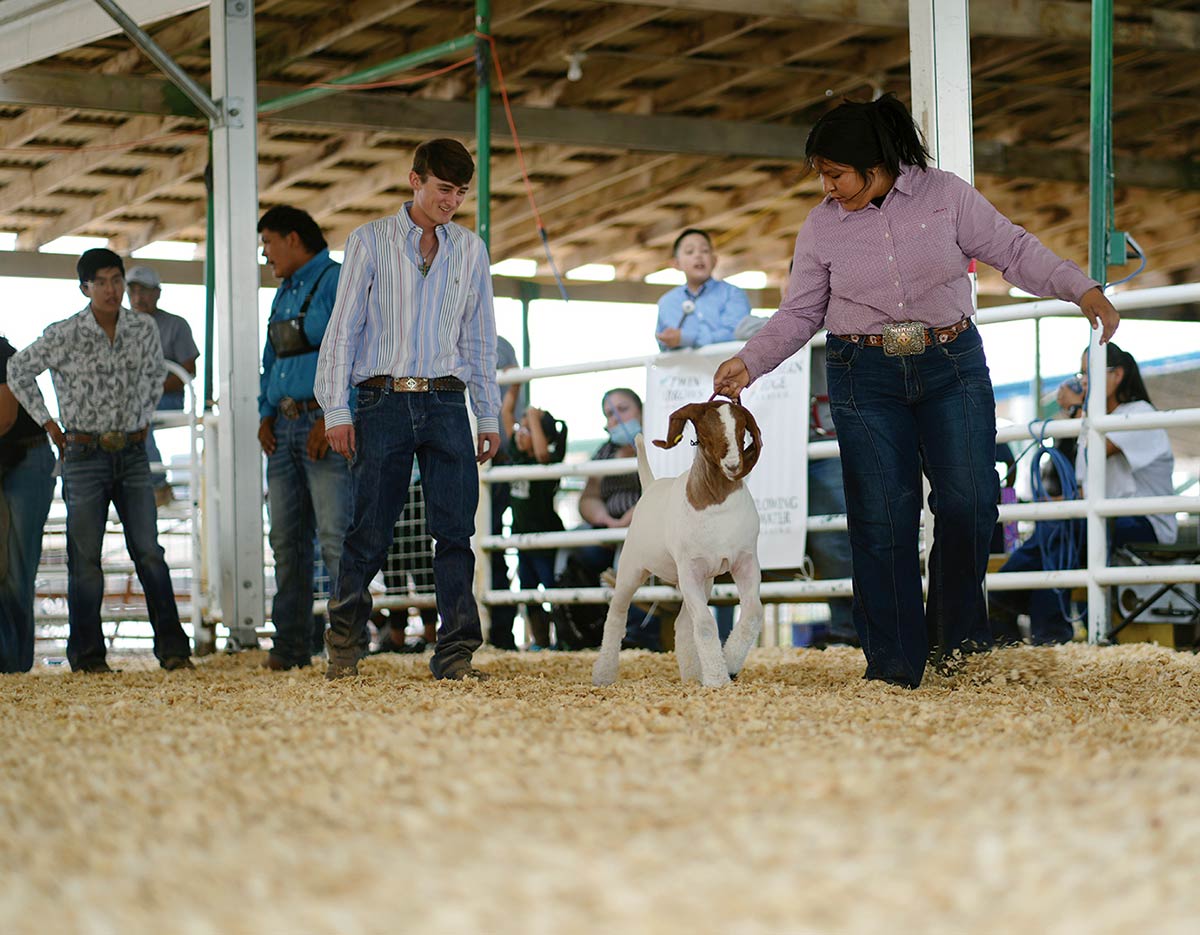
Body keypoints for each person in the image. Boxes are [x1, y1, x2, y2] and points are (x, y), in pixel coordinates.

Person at [712, 93, 1119, 688]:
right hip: (863, 373)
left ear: (874, 163)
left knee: (971, 501)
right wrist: (750, 361)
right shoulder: (821, 226)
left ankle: (957, 643)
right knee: (882, 516)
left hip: (951, 363)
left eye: (835, 173)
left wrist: (1080, 288)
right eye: (822, 175)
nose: (827, 187)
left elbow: (1012, 249)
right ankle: (894, 665)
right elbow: (800, 312)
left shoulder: (945, 195)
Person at [315, 138, 502, 681]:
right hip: (381, 398)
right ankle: (344, 645)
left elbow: (480, 336)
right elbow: (343, 328)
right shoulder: (368, 241)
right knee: (370, 529)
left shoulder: (471, 249)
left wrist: (488, 413)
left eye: (460, 192)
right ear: (415, 180)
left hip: (447, 399)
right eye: (444, 189)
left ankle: (456, 652)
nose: (452, 201)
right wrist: (335, 409)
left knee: (456, 530)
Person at [8, 248, 194, 673]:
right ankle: (89, 658)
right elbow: (18, 369)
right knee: (85, 558)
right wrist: (47, 422)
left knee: (149, 551)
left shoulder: (143, 328)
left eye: (117, 280)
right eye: (102, 282)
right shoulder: (63, 333)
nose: (112, 290)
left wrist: (142, 416)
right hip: (83, 452)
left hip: (131, 451)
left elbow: (155, 373)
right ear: (85, 288)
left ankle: (174, 651)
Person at [989, 343, 1175, 644]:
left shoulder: (1138, 413)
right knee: (1060, 528)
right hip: (1103, 518)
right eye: (1082, 375)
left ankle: (1009, 603)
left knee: (1066, 531)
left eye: (1090, 373)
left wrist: (1078, 411)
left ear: (1118, 375)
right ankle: (1038, 628)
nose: (1084, 382)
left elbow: (1102, 450)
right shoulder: (1092, 423)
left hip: (1146, 522)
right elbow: (1082, 488)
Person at [257, 205, 350, 671]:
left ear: (292, 239)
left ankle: (347, 644)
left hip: (322, 423)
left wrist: (334, 415)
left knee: (335, 538)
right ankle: (291, 645)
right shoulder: (284, 291)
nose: (265, 254)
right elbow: (270, 360)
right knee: (286, 541)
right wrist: (265, 412)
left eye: (268, 243)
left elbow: (356, 351)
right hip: (284, 424)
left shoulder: (337, 281)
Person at [567, 387, 660, 651]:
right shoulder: (605, 451)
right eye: (609, 413)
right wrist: (605, 520)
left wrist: (632, 518)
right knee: (574, 546)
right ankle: (585, 632)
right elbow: (588, 496)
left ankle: (639, 636)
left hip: (648, 522)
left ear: (641, 411)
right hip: (608, 526)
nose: (616, 418)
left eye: (623, 409)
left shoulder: (656, 444)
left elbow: (661, 488)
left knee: (629, 556)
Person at [0, 334, 55, 673]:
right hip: (9, 462)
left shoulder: (2, 353)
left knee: (15, 570)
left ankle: (13, 666)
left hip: (26, 460)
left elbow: (4, 417)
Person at [125, 265, 199, 508]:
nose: (138, 297)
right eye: (133, 291)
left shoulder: (176, 325)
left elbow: (188, 370)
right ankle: (135, 482)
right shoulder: (119, 326)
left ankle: (156, 485)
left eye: (144, 291)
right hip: (129, 402)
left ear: (157, 293)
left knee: (137, 415)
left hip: (166, 398)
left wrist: (150, 391)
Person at [502, 392, 568, 649]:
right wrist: (514, 386)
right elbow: (506, 414)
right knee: (528, 592)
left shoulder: (547, 460)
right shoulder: (517, 456)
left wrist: (532, 413)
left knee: (552, 590)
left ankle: (562, 640)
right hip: (522, 538)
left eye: (529, 429)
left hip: (545, 539)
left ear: (546, 437)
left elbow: (541, 453)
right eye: (521, 427)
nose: (520, 432)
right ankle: (541, 642)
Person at [655, 228, 751, 351]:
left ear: (714, 260)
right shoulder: (667, 302)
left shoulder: (733, 294)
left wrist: (687, 338)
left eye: (705, 251)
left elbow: (737, 333)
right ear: (676, 264)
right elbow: (663, 344)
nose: (698, 256)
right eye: (689, 252)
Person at [486, 335, 520, 651]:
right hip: (474, 452)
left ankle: (500, 629)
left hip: (495, 454)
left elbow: (513, 386)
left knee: (492, 542)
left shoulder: (497, 344)